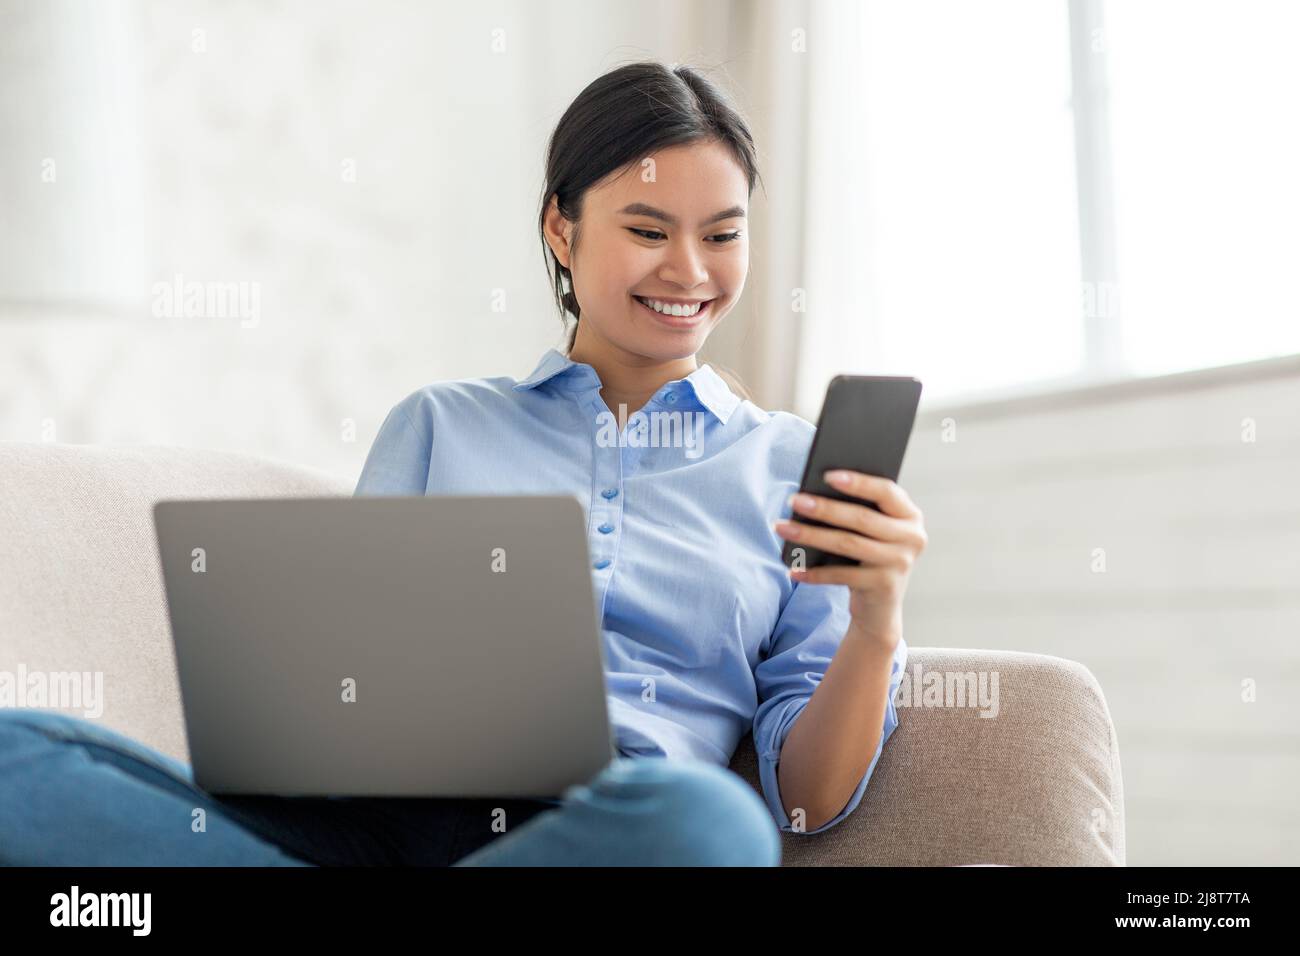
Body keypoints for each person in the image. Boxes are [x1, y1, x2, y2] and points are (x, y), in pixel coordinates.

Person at [0, 61, 925, 867]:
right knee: (19, 757)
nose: (689, 270)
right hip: (376, 824)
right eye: (648, 231)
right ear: (561, 230)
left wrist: (875, 626)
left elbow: (807, 801)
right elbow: (333, 685)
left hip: (616, 826)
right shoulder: (442, 423)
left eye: (722, 235)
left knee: (714, 825)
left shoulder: (789, 465)